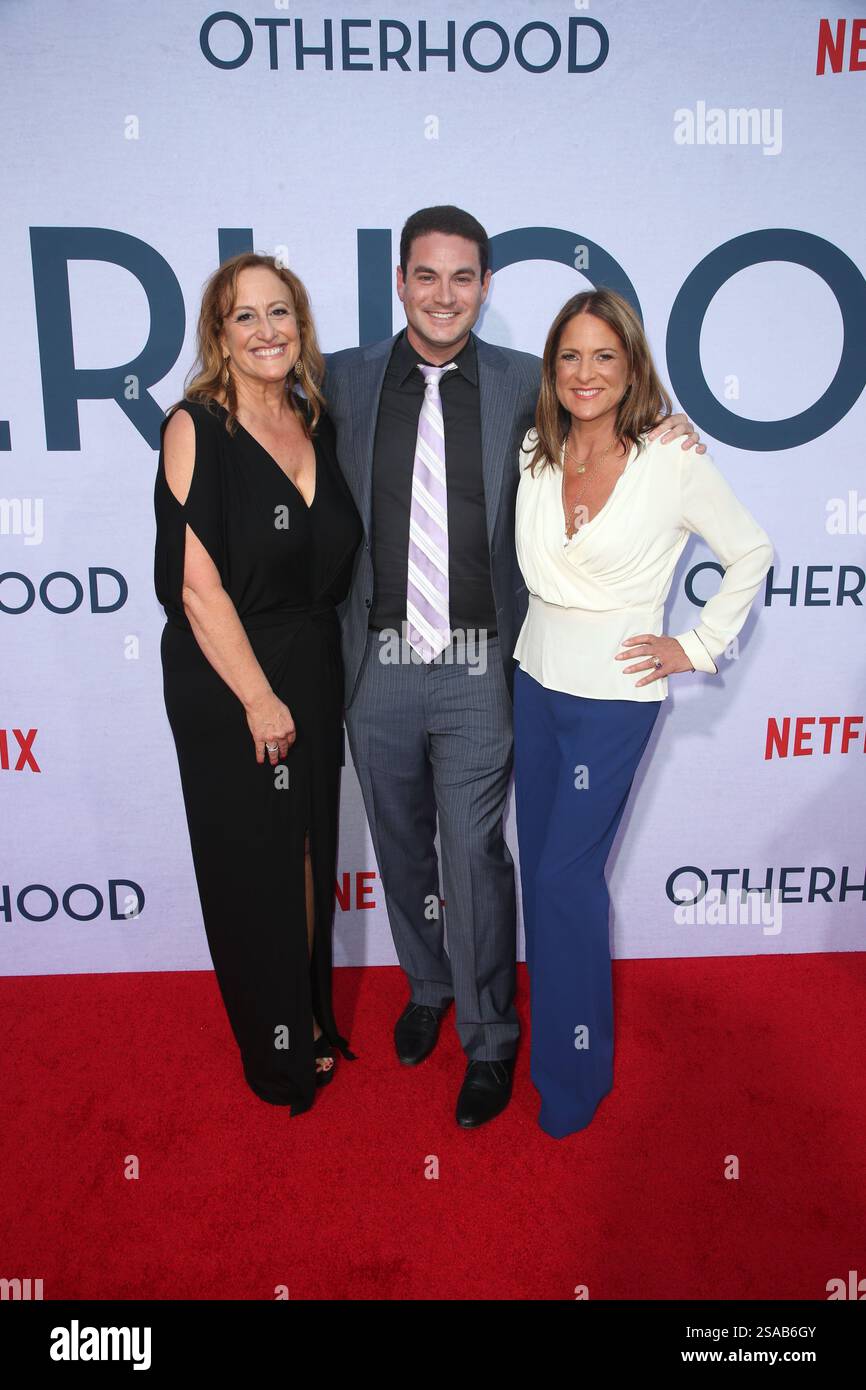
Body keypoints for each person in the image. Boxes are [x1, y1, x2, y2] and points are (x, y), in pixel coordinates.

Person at [324, 207, 703, 1127]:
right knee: (402, 843)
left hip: (479, 666)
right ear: (401, 282)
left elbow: (608, 416)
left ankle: (491, 1036)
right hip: (374, 663)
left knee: (476, 855)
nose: (444, 294)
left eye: (463, 278)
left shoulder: (526, 386)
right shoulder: (339, 380)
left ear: (485, 289)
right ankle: (427, 988)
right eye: (426, 275)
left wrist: (669, 431)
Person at [512, 287, 773, 1139]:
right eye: (570, 357)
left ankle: (574, 1075)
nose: (585, 374)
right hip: (535, 680)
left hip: (614, 701)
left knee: (564, 882)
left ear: (631, 369)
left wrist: (694, 648)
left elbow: (751, 551)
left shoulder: (671, 458)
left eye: (604, 357)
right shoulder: (535, 450)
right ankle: (554, 1038)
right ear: (553, 369)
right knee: (540, 878)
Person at [154, 253, 362, 1112]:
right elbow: (197, 588)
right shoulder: (197, 426)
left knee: (307, 851)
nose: (267, 330)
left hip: (310, 662)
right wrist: (257, 698)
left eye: (281, 313)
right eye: (246, 317)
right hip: (231, 676)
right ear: (220, 335)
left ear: (301, 328)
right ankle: (275, 1048)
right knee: (255, 865)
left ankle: (303, 1016)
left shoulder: (317, 421)